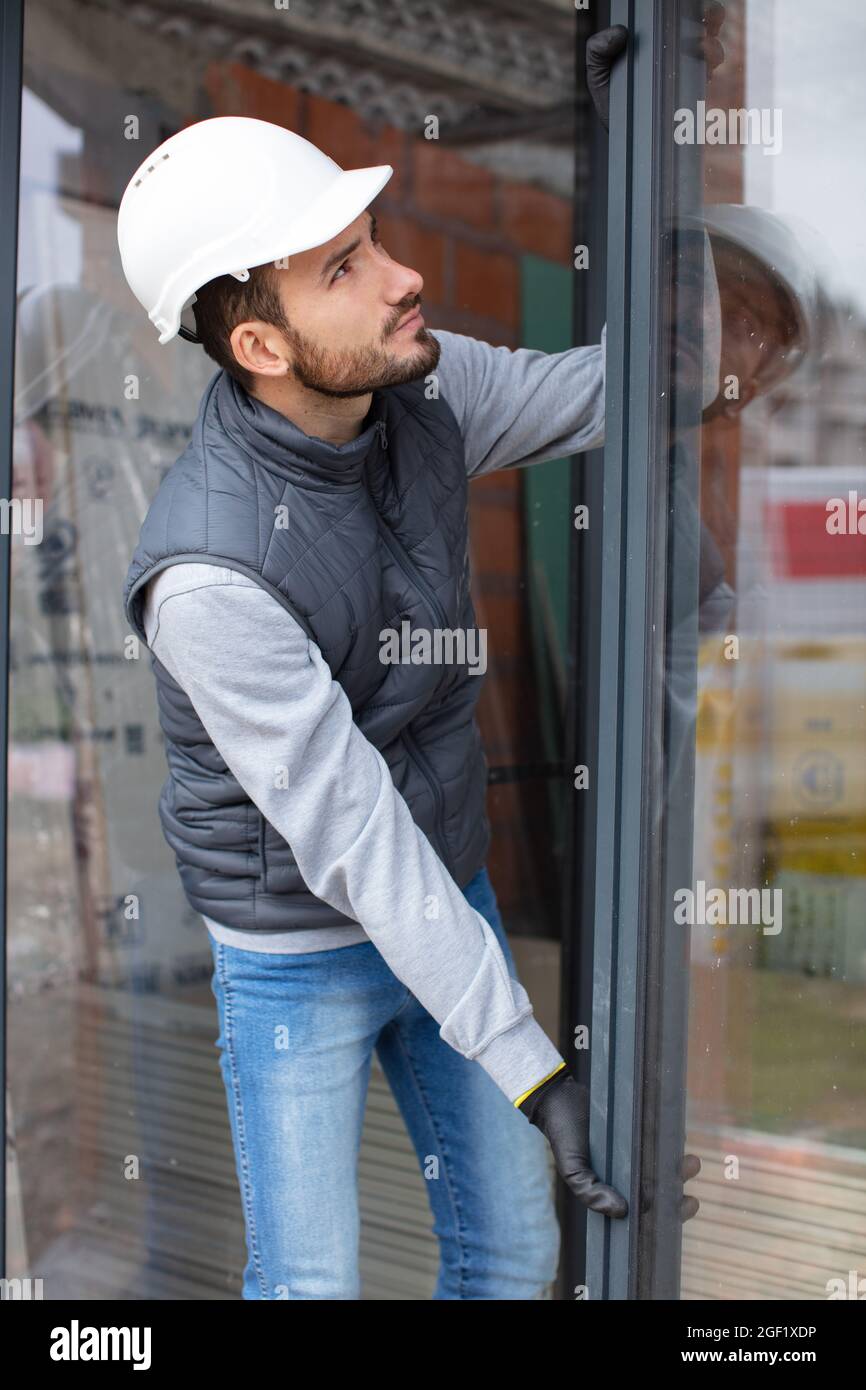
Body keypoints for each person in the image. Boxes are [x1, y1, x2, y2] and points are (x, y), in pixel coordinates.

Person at [117, 35, 682, 1298]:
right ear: (261, 347)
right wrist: (534, 1067)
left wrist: (654, 167)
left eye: (373, 240)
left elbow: (614, 394)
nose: (403, 274)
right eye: (344, 267)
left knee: (513, 1250)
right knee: (310, 1282)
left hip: (447, 891)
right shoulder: (211, 579)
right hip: (294, 948)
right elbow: (357, 842)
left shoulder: (417, 397)